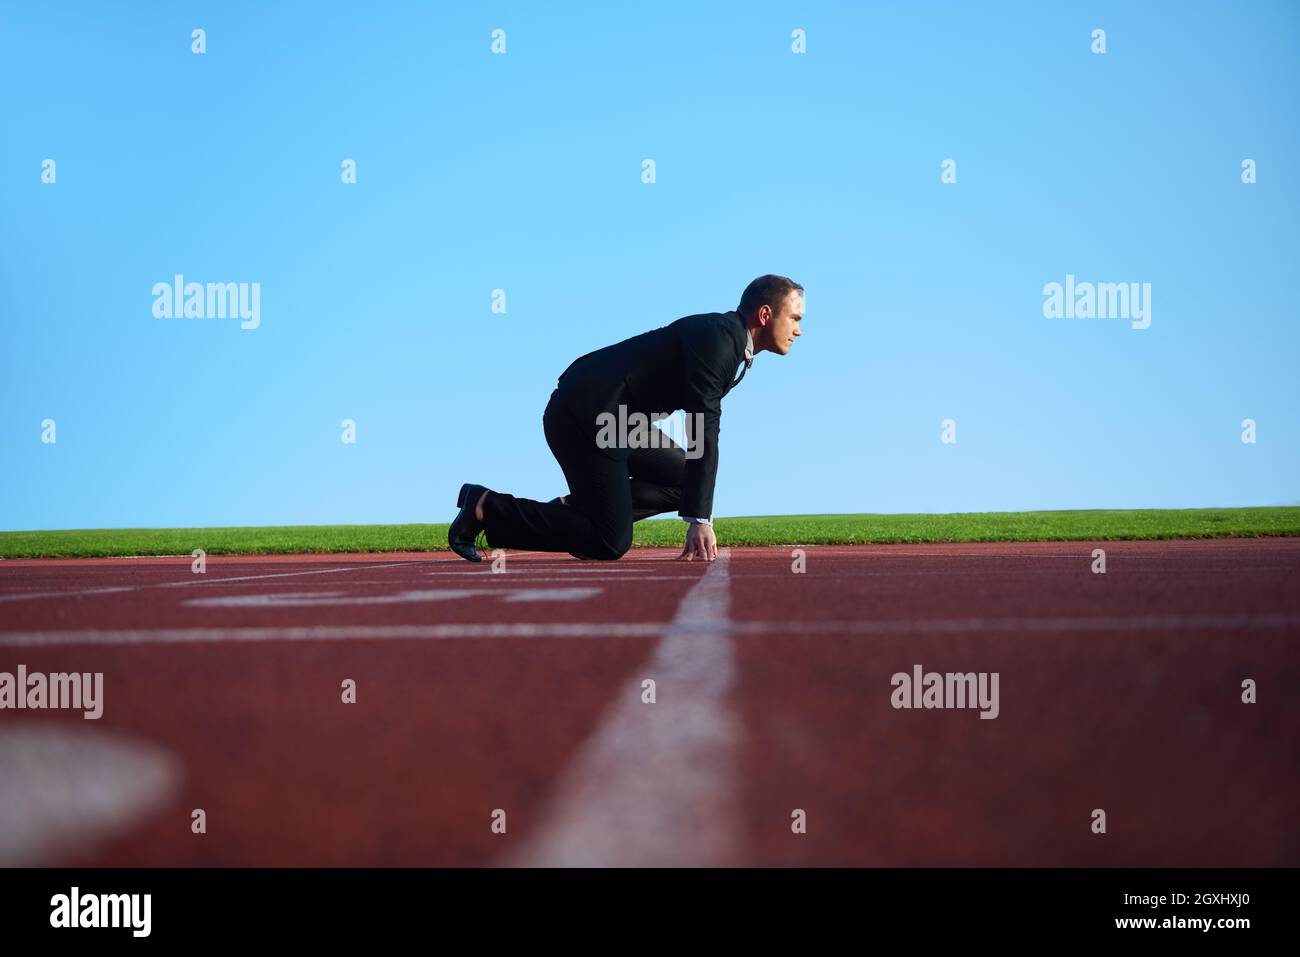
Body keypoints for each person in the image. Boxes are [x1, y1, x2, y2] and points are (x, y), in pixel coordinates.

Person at [448, 275, 804, 563]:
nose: (799, 330)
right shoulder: (718, 340)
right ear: (764, 315)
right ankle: (486, 507)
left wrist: (697, 508)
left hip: (618, 422)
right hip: (586, 415)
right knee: (609, 541)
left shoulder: (728, 341)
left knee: (684, 479)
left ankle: (578, 511)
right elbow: (702, 426)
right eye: (795, 318)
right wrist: (699, 520)